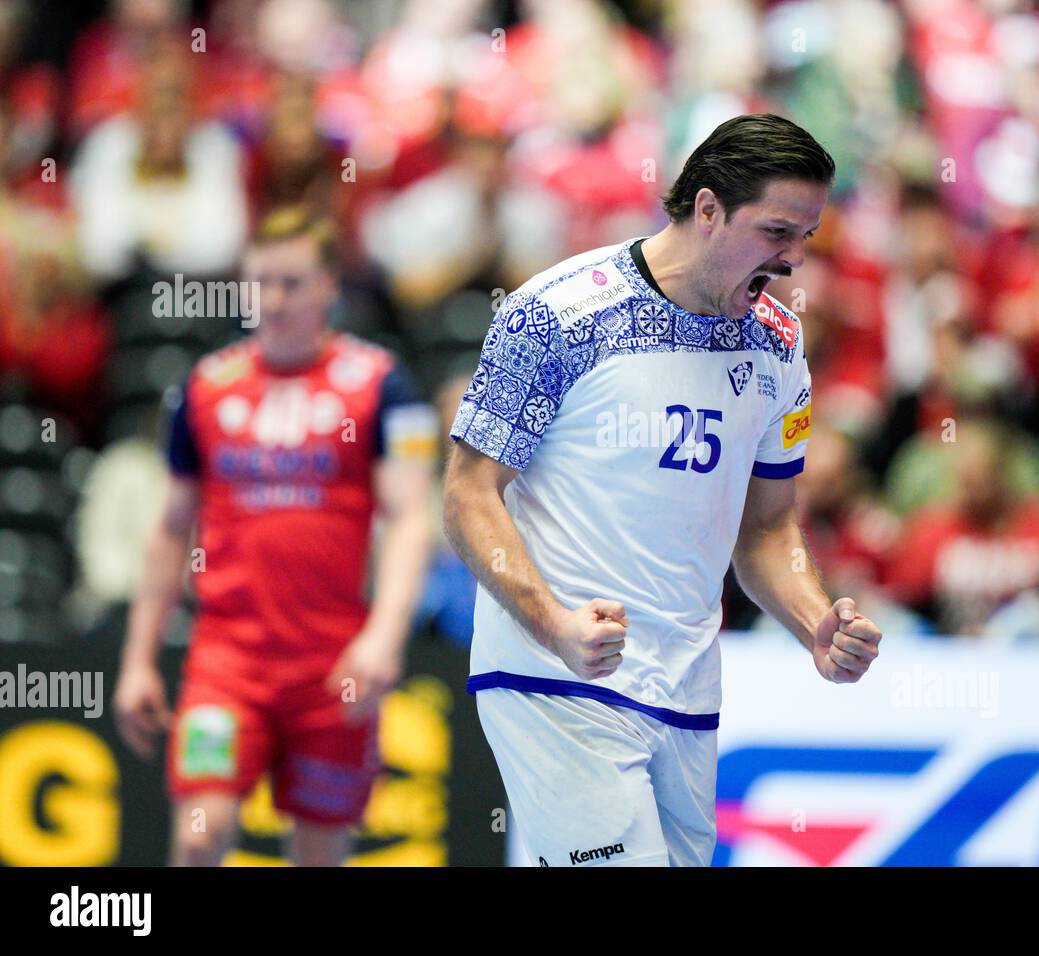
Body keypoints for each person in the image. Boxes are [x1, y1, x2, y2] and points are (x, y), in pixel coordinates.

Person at [442, 113, 882, 867]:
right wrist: (553, 625)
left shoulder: (777, 343)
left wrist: (816, 620)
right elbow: (468, 495)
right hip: (555, 673)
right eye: (778, 232)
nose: (796, 258)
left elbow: (768, 531)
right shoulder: (556, 315)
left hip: (685, 687)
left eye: (807, 236)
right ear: (707, 209)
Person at [112, 207, 435, 866]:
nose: (275, 300)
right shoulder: (205, 388)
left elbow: (410, 518)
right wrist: (138, 659)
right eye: (260, 282)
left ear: (329, 287)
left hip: (334, 669)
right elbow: (172, 529)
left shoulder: (381, 386)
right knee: (201, 832)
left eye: (292, 282)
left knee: (320, 852)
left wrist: (384, 636)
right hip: (226, 664)